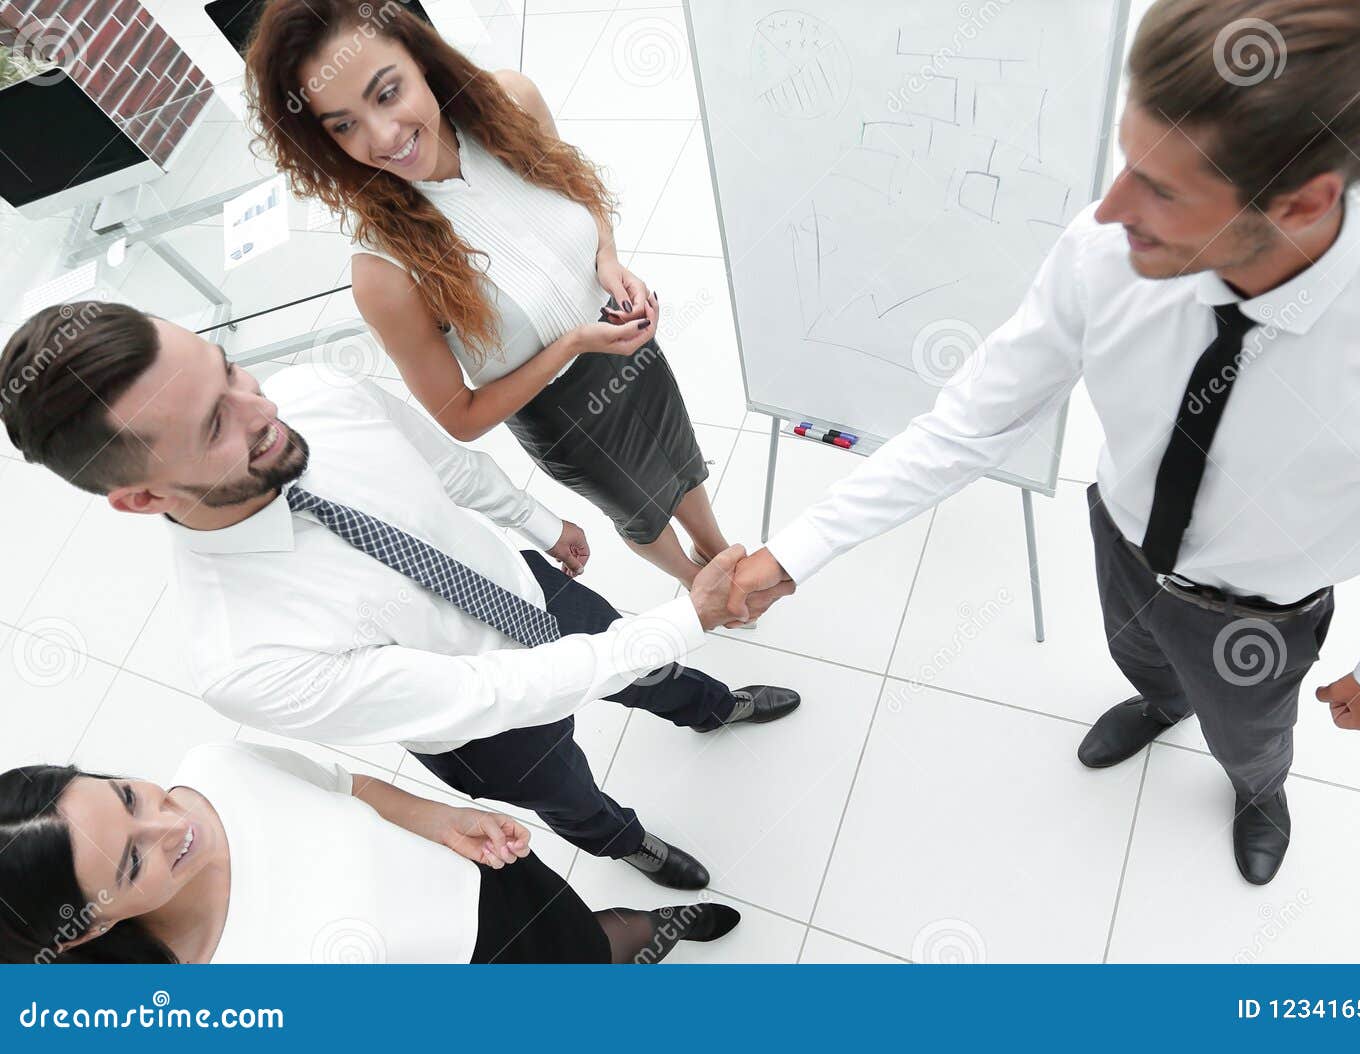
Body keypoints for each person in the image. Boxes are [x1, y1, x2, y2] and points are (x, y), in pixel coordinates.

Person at [731, 0, 1360, 884]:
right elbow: (972, 420)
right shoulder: (1103, 248)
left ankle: (1255, 789)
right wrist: (798, 553)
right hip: (1122, 541)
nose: (1110, 208)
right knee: (1140, 656)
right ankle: (1159, 701)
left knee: (1249, 728)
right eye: (1129, 162)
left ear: (1303, 199)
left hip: (1261, 613)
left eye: (1162, 188)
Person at [0, 302, 798, 892]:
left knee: (647, 670)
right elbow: (487, 693)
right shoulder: (244, 656)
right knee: (570, 794)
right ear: (142, 499)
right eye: (216, 427)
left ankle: (710, 707)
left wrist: (536, 520)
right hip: (485, 727)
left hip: (523, 589)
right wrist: (686, 617)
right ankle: (626, 842)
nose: (265, 410)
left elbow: (444, 467)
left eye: (229, 371)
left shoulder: (315, 390)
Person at [244, 0, 736, 595]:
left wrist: (607, 259)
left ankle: (713, 546)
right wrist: (575, 342)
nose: (382, 136)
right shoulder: (384, 272)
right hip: (566, 415)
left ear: (421, 58)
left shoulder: (511, 104)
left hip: (630, 342)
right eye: (343, 125)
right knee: (641, 506)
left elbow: (579, 192)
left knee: (680, 458)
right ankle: (696, 582)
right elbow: (461, 417)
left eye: (387, 92)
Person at [0, 741, 740, 964]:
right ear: (93, 927)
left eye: (129, 796)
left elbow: (348, 786)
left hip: (492, 878)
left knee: (593, 938)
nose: (172, 828)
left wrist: (444, 818)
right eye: (135, 863)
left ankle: (657, 927)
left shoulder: (214, 766)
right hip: (483, 978)